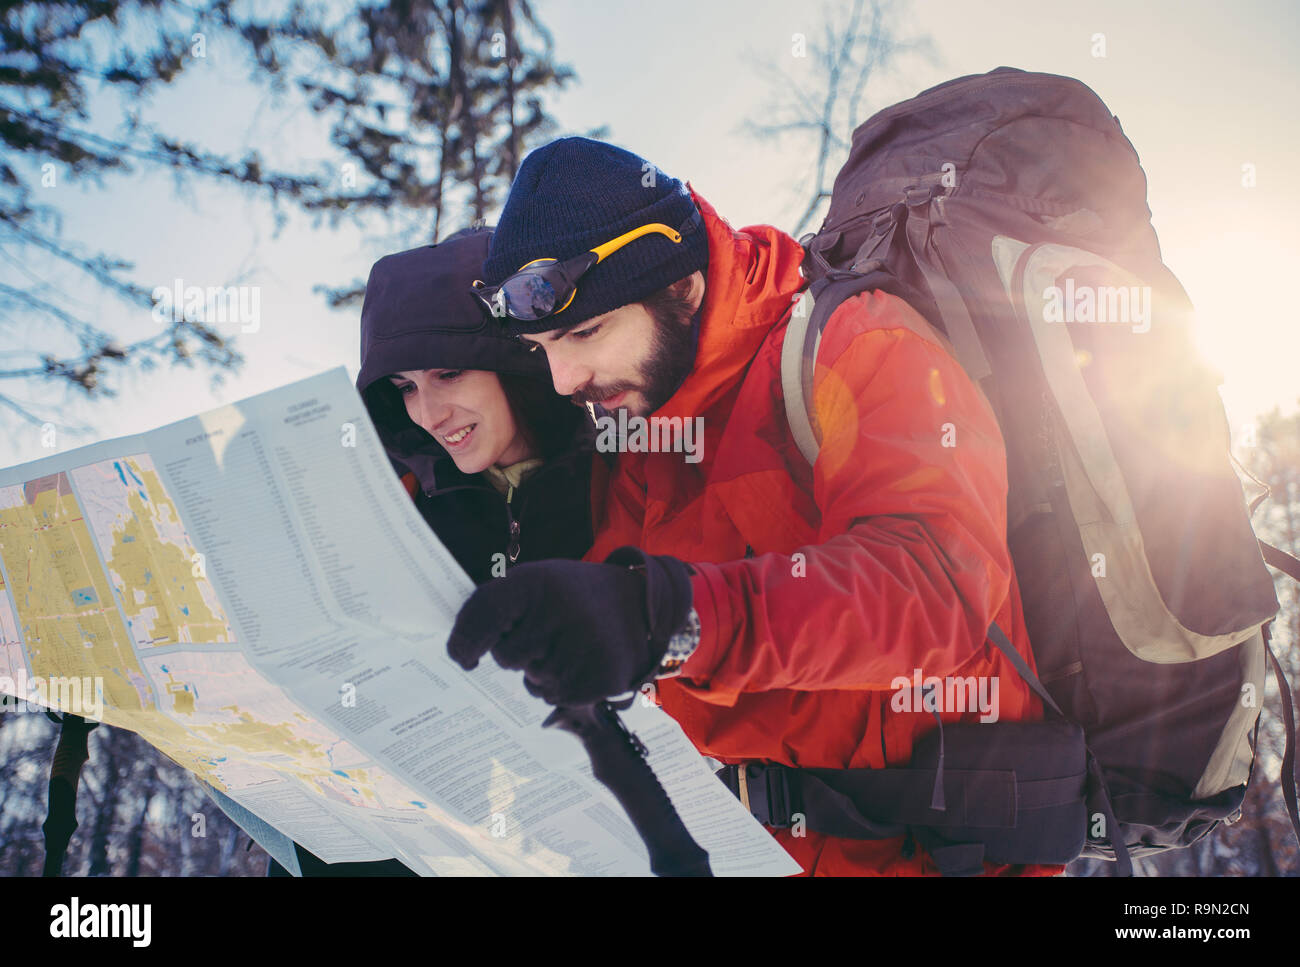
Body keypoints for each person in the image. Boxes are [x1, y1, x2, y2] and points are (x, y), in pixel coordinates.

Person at [446, 137, 1066, 877]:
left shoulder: (853, 342)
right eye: (544, 345)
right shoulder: (641, 425)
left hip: (932, 851)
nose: (564, 377)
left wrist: (668, 616)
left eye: (585, 332)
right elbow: (623, 645)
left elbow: (934, 585)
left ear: (684, 287)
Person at [260, 226, 600, 875]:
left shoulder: (624, 490)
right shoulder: (403, 512)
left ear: (516, 355)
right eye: (406, 387)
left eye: (447, 371)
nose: (430, 411)